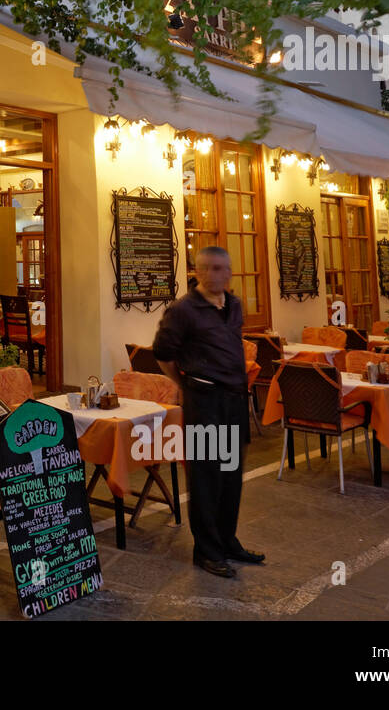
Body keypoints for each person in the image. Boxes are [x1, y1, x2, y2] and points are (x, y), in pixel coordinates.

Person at [152, 245, 265, 578]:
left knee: (230, 476)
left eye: (225, 268)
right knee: (205, 477)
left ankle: (227, 541)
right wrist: (188, 386)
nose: (221, 274)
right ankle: (207, 551)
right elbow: (163, 354)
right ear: (198, 271)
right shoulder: (184, 309)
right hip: (204, 402)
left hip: (232, 402)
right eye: (213, 268)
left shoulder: (234, 305)